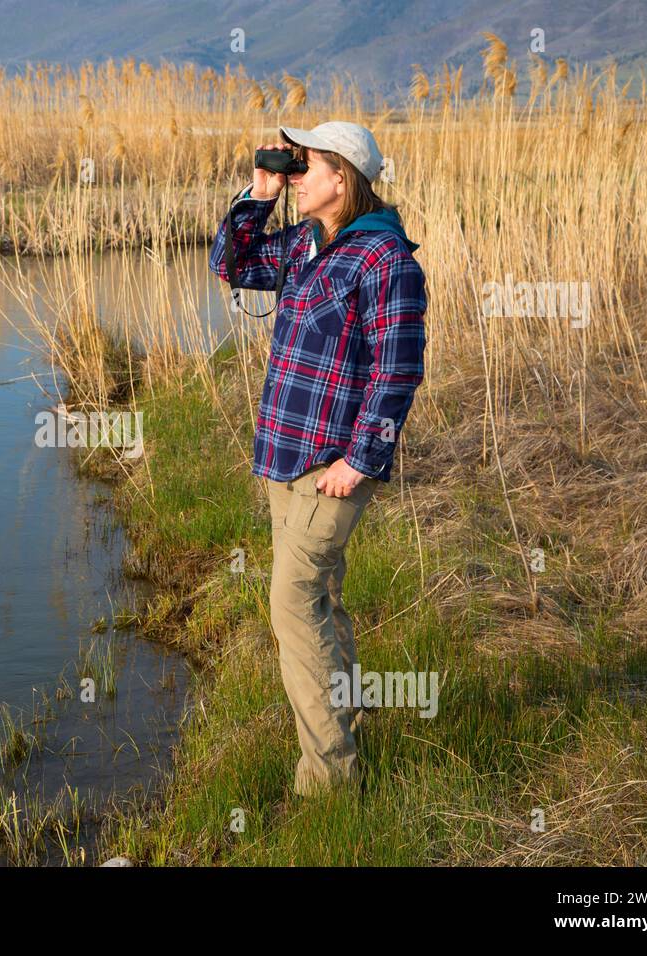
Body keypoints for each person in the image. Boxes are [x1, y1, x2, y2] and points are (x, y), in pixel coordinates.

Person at [209, 120, 428, 796]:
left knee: (292, 603)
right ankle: (346, 720)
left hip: (334, 466)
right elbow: (233, 264)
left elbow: (397, 375)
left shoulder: (385, 261)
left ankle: (330, 781)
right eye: (294, 164)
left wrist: (360, 462)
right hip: (286, 456)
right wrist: (261, 190)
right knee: (323, 601)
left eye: (305, 165)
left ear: (344, 177)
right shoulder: (309, 243)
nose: (296, 172)